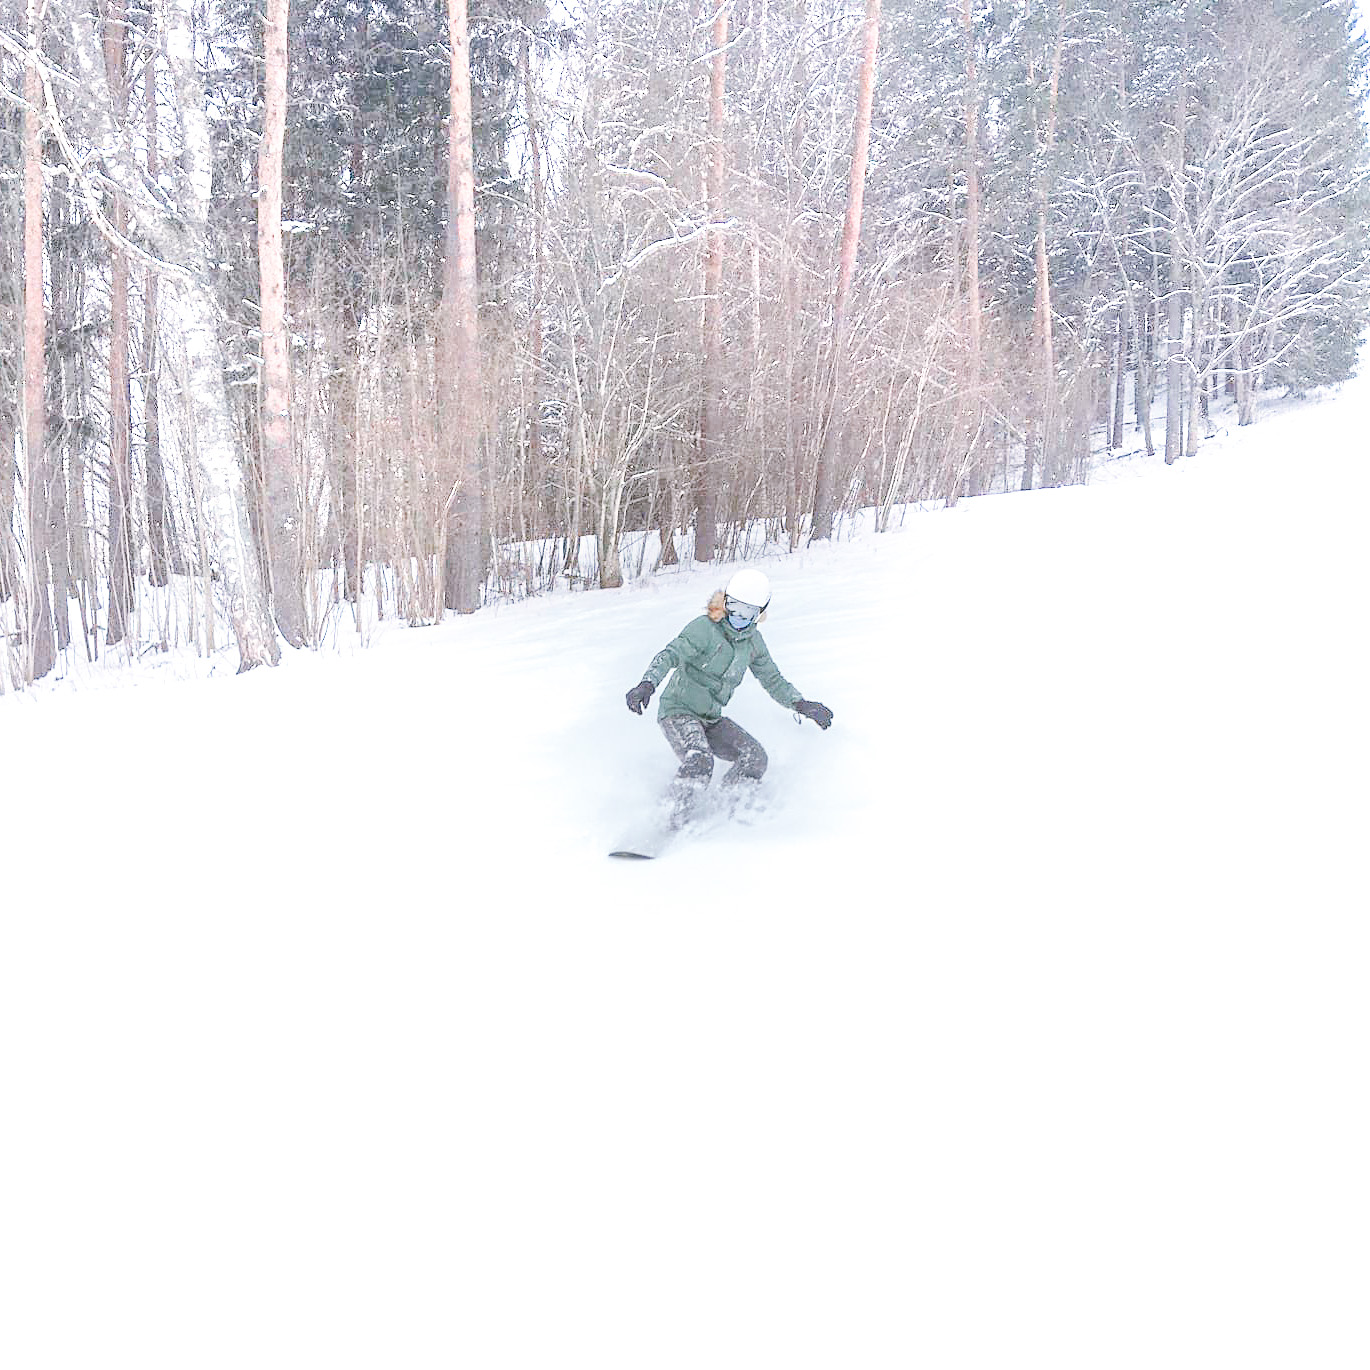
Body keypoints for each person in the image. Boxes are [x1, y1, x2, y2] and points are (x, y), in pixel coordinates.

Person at [624, 569, 833, 826]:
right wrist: (647, 684)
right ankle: (668, 819)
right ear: (725, 602)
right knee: (699, 759)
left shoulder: (753, 643)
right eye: (734, 608)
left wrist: (801, 704)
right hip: (678, 711)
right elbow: (671, 654)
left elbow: (773, 679)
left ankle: (725, 808)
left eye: (748, 613)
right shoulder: (705, 628)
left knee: (755, 758)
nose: (739, 618)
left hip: (711, 719)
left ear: (760, 614)